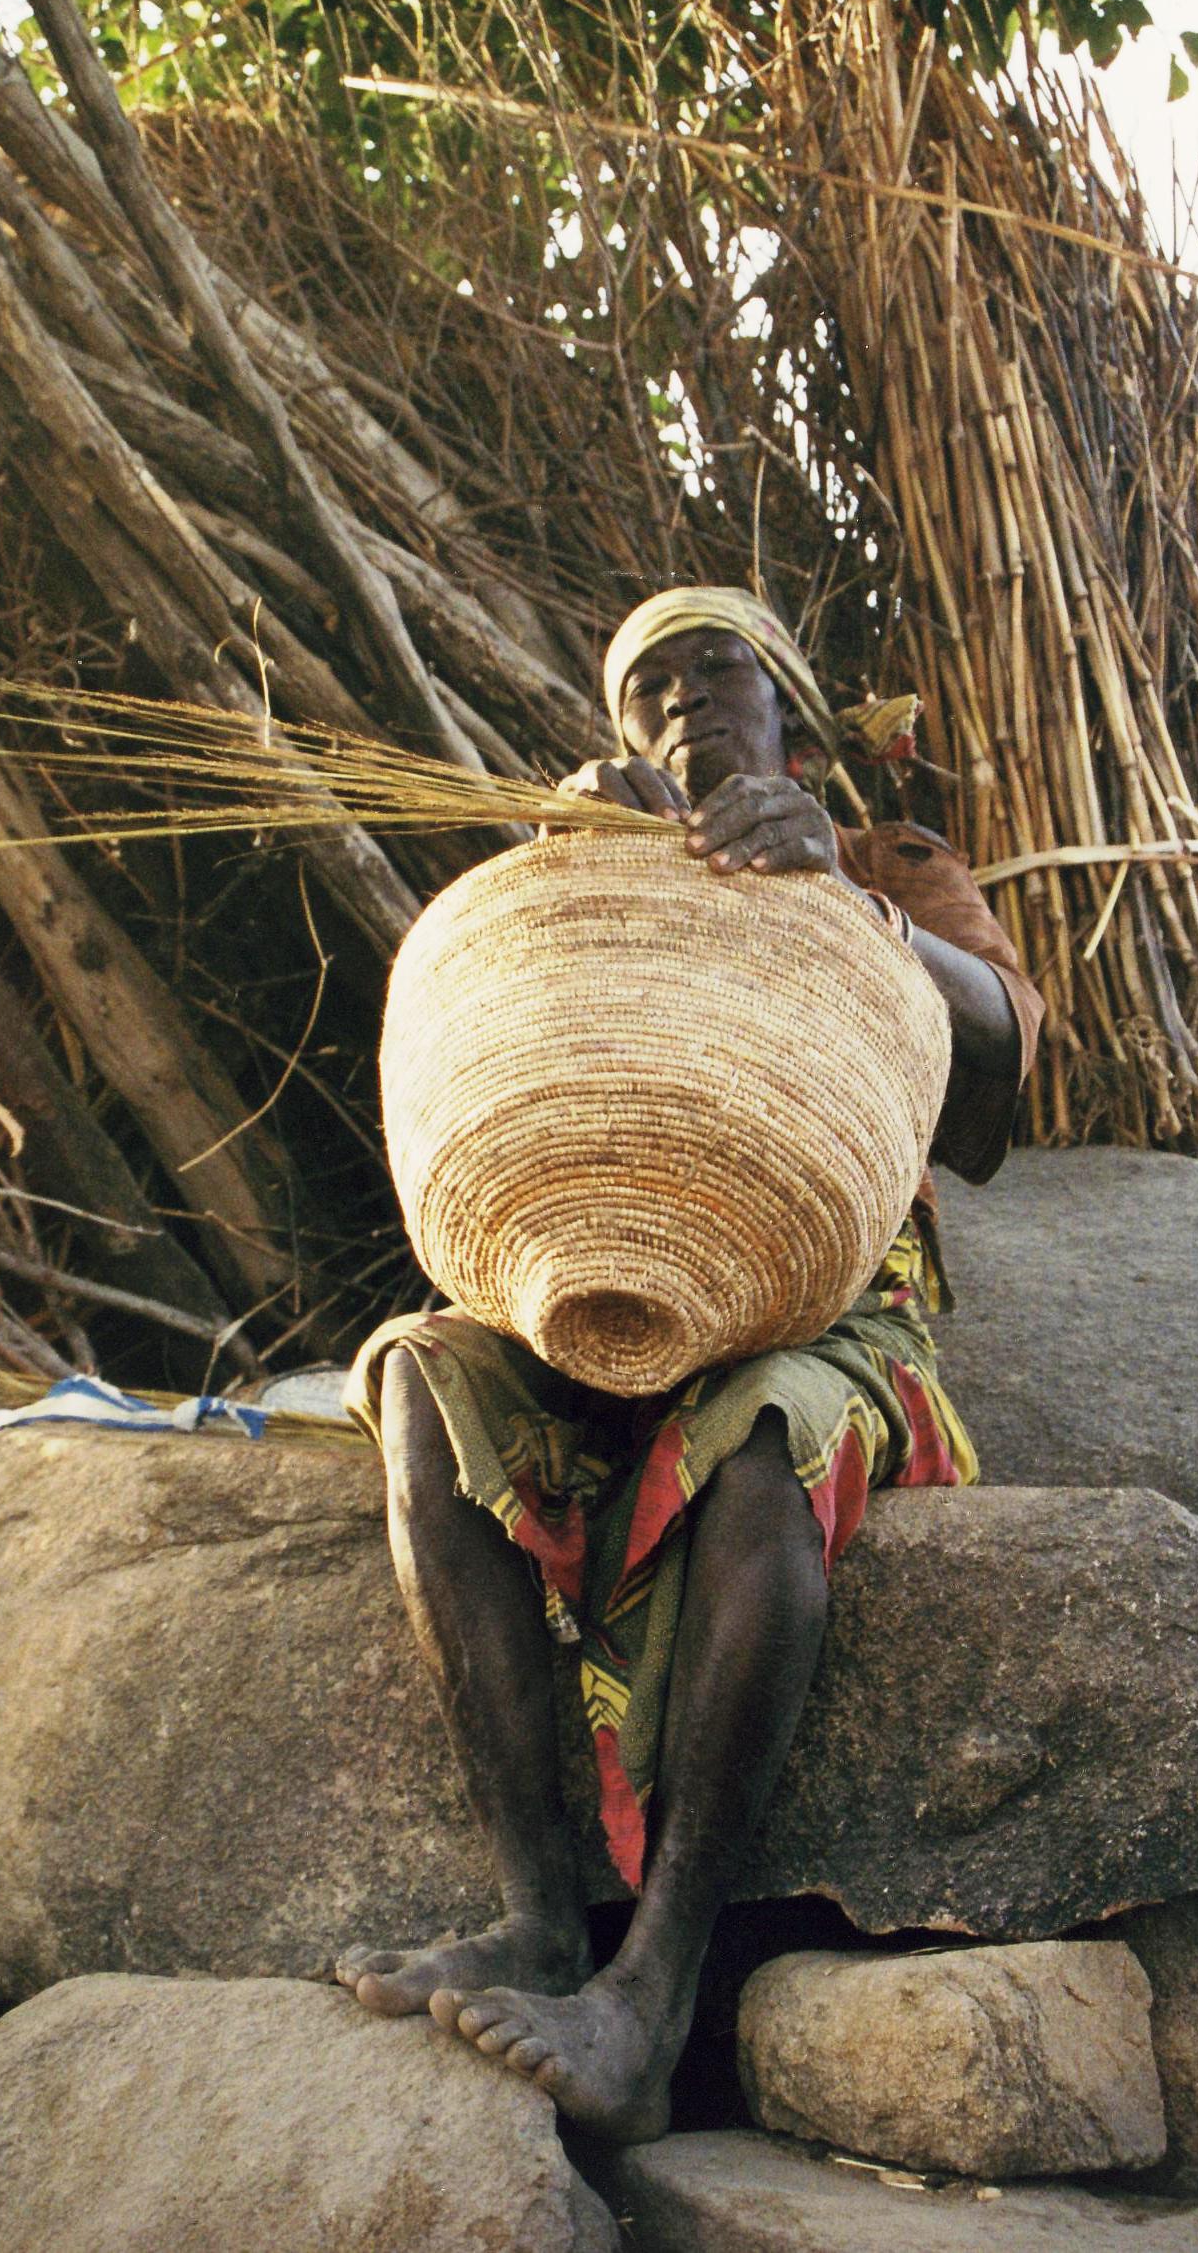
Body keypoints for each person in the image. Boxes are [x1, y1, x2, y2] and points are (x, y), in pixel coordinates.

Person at [336, 585, 1044, 2142]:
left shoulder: (877, 862)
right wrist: (556, 869)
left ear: (786, 701)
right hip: (602, 1306)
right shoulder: (598, 841)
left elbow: (1002, 1069)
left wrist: (864, 916)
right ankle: (535, 1916)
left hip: (820, 1304)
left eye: (714, 670)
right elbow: (489, 1043)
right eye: (648, 685)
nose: (681, 704)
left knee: (764, 1437)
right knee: (422, 1376)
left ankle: (648, 1995)